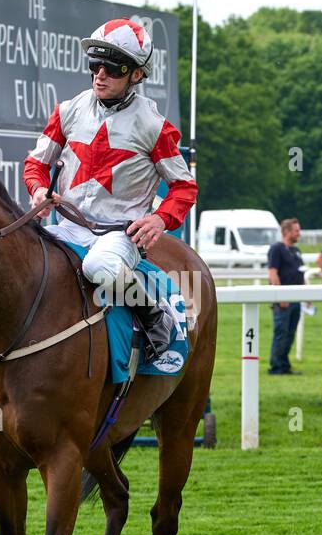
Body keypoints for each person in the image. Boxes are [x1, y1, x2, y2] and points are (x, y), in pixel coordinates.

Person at [23, 18, 196, 363]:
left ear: (137, 75)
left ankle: (153, 317)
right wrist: (39, 190)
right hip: (67, 226)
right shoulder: (68, 111)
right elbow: (36, 164)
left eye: (113, 68)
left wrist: (160, 220)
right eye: (95, 65)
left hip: (118, 237)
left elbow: (183, 187)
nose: (100, 75)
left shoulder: (154, 127)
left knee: (99, 266)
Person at [267, 218, 304, 375]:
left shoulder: (296, 251)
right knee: (281, 332)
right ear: (287, 232)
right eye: (296, 230)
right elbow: (273, 273)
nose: (299, 233)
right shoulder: (277, 249)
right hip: (283, 300)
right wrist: (280, 296)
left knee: (290, 333)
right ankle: (276, 366)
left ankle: (284, 364)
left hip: (295, 299)